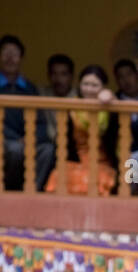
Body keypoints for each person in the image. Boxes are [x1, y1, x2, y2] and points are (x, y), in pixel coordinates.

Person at [44, 65, 118, 196]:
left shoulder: (110, 108)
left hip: (104, 162)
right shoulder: (72, 107)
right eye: (85, 84)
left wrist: (108, 98)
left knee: (97, 178)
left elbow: (119, 142)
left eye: (95, 85)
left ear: (103, 87)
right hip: (77, 161)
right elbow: (63, 142)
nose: (89, 89)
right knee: (60, 175)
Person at [0, 33, 54, 190]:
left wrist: (29, 137)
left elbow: (42, 123)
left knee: (48, 150)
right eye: (5, 52)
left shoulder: (30, 88)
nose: (10, 58)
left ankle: (32, 190)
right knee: (15, 150)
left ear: (21, 58)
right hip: (5, 141)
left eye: (14, 53)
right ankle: (10, 190)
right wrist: (14, 139)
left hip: (25, 141)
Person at [113, 58, 138, 155]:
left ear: (137, 76)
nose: (126, 80)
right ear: (117, 81)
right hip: (121, 155)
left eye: (129, 74)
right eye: (121, 77)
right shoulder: (113, 102)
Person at [41, 53, 76, 148]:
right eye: (54, 74)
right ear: (48, 75)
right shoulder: (40, 94)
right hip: (47, 145)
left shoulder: (79, 97)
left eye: (63, 74)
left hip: (72, 147)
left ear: (71, 76)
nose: (58, 79)